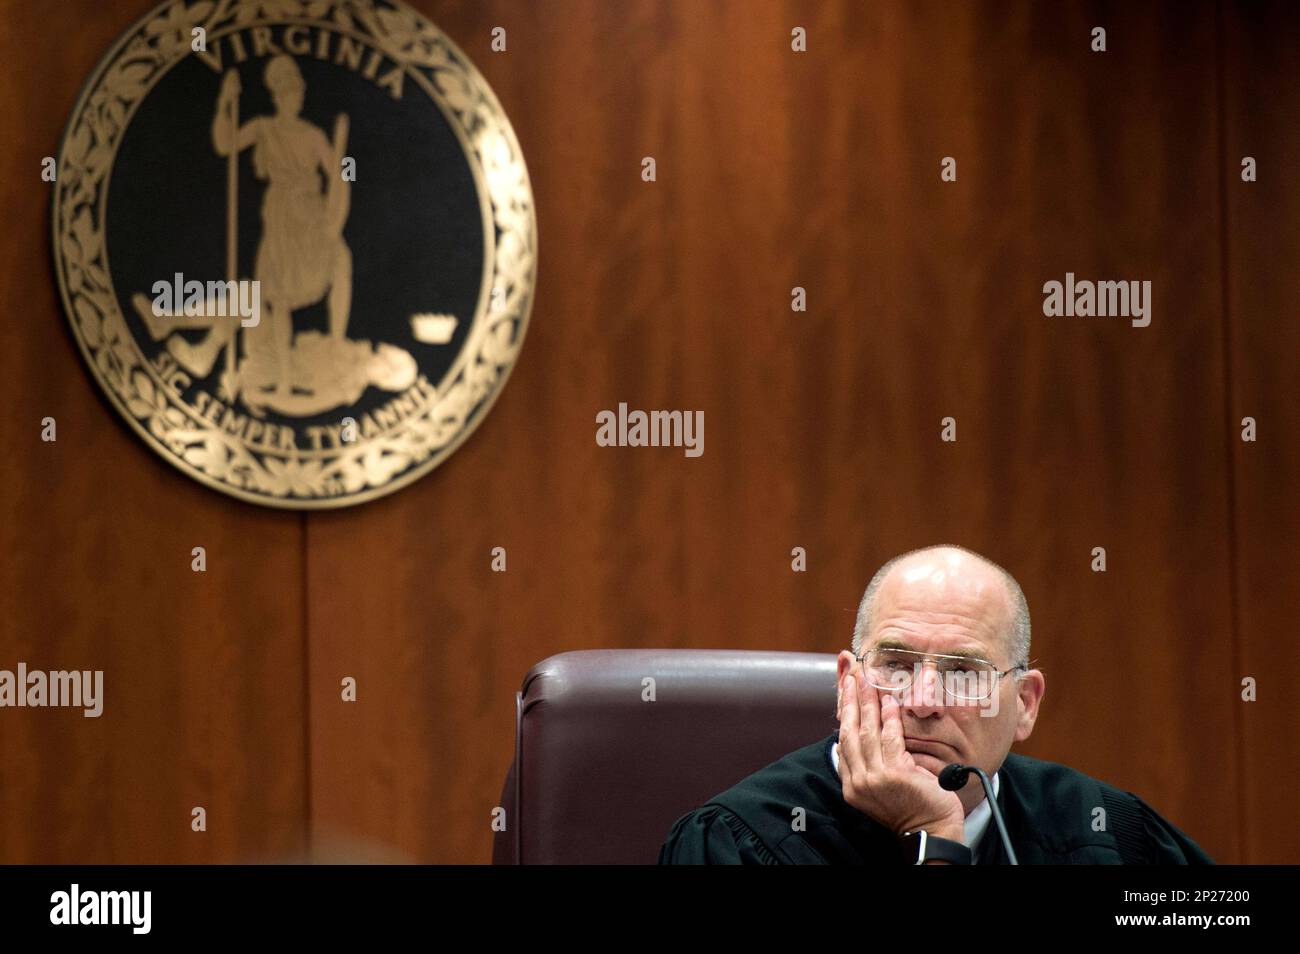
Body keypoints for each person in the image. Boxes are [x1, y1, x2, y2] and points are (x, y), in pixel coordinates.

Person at [658, 544, 1213, 864]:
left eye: (963, 673)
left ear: (1025, 704)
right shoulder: (734, 844)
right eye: (896, 666)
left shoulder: (1108, 832)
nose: (923, 701)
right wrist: (934, 835)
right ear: (847, 682)